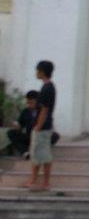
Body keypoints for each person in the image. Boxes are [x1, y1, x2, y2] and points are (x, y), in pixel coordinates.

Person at [25, 60, 56, 191]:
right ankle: (39, 181)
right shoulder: (50, 86)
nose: (36, 73)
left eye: (37, 70)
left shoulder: (46, 88)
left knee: (39, 155)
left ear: (42, 72)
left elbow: (44, 110)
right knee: (41, 155)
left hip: (42, 127)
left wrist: (38, 126)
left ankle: (37, 182)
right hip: (46, 126)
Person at [8, 90, 59, 158]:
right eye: (28, 102)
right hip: (29, 137)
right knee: (11, 133)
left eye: (31, 102)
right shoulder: (25, 111)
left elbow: (49, 126)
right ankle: (25, 152)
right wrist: (15, 125)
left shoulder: (43, 111)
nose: (29, 104)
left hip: (40, 137)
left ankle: (39, 150)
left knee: (55, 136)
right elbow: (20, 125)